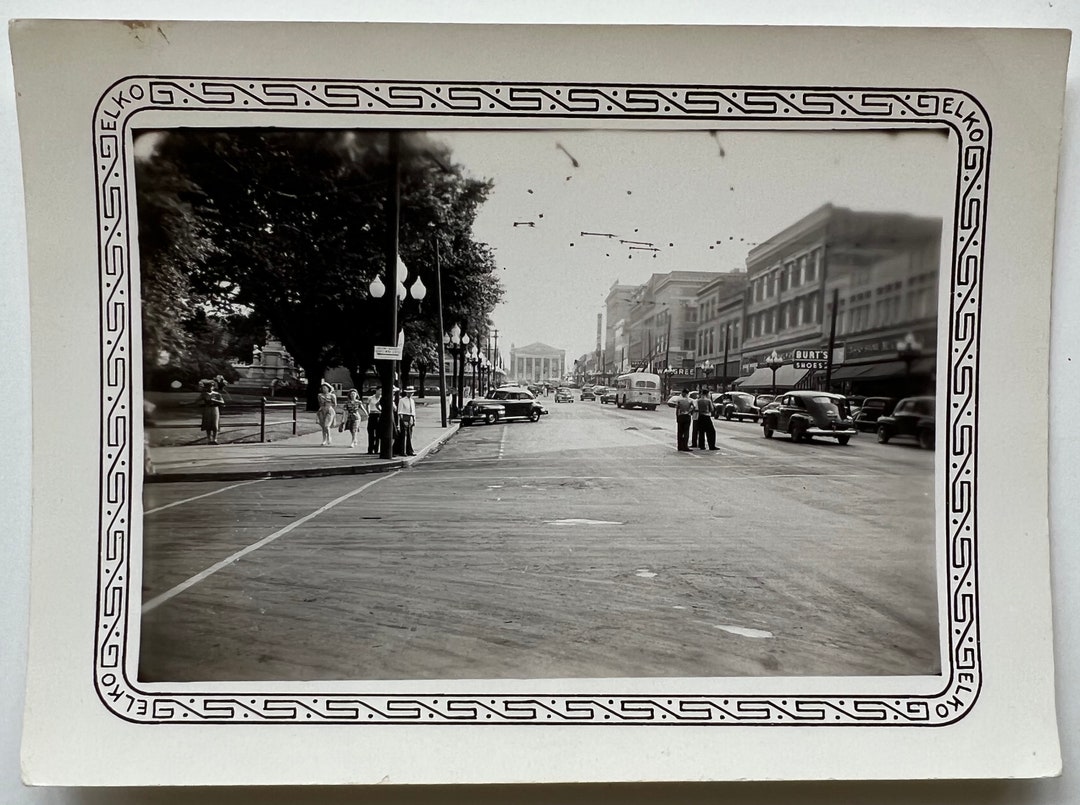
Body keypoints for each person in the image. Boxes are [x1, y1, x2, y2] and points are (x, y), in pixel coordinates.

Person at [198, 378, 225, 444]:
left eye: (210, 386)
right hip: (207, 409)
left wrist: (214, 400)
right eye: (207, 387)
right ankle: (209, 439)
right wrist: (186, 403)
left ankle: (215, 439)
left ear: (213, 387)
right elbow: (197, 401)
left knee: (215, 425)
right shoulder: (204, 394)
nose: (209, 388)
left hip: (215, 408)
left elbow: (222, 402)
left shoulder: (217, 394)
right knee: (208, 425)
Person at [398, 386, 417, 456]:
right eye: (409, 393)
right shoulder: (402, 400)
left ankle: (409, 450)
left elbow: (413, 411)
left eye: (411, 393)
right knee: (404, 435)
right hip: (405, 417)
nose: (410, 394)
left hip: (410, 417)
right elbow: (400, 411)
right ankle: (403, 451)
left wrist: (414, 419)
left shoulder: (412, 401)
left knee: (409, 435)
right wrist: (402, 420)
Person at [316, 382, 337, 446]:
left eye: (325, 388)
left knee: (327, 426)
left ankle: (329, 437)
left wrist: (330, 408)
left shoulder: (332, 395)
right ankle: (324, 439)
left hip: (329, 410)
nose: (324, 389)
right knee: (323, 426)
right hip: (322, 410)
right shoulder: (320, 395)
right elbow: (320, 403)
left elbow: (335, 404)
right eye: (323, 388)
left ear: (328, 388)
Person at [366, 388, 382, 454]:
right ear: (376, 390)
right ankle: (370, 449)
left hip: (379, 414)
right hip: (372, 414)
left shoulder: (382, 398)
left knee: (378, 433)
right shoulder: (370, 398)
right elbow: (367, 405)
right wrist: (368, 412)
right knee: (371, 432)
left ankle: (376, 449)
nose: (380, 392)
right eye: (380, 390)